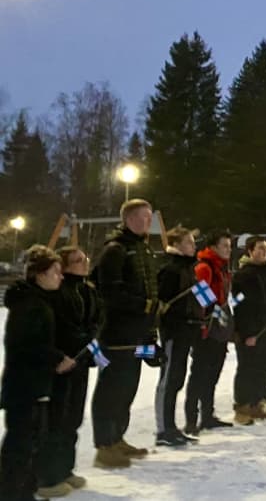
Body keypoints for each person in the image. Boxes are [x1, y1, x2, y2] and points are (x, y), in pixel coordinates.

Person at [2, 246, 75, 500]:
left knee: (32, 442)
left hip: (36, 384)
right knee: (20, 445)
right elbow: (26, 344)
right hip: (25, 386)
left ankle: (24, 491)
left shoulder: (39, 301)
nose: (61, 276)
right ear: (40, 275)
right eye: (56, 271)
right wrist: (57, 358)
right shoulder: (29, 305)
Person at [92, 199, 158, 469]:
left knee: (128, 388)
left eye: (150, 217)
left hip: (138, 335)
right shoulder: (115, 250)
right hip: (116, 337)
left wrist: (151, 330)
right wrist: (141, 305)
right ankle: (104, 445)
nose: (147, 222)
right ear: (128, 219)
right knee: (111, 389)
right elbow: (109, 292)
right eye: (143, 217)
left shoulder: (142, 249)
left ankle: (117, 437)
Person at [35, 247, 98, 496]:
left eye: (85, 259)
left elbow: (95, 320)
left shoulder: (87, 290)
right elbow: (61, 326)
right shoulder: (57, 292)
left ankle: (65, 468)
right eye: (77, 261)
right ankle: (46, 476)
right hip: (61, 362)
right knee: (55, 421)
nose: (84, 264)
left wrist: (91, 339)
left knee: (72, 419)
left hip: (80, 361)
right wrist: (77, 343)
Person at [154, 226, 203, 447]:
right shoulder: (170, 270)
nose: (194, 246)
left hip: (188, 331)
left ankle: (171, 427)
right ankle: (164, 429)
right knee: (169, 379)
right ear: (177, 245)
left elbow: (203, 300)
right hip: (174, 333)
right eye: (189, 242)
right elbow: (163, 305)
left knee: (177, 379)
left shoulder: (189, 269)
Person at [184, 231, 234, 435]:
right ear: (213, 247)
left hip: (218, 328)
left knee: (213, 373)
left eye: (230, 246)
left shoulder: (222, 267)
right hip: (207, 329)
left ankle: (207, 414)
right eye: (224, 245)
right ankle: (191, 419)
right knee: (199, 374)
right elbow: (201, 298)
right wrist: (204, 325)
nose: (228, 250)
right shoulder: (205, 267)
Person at [232, 236, 266, 426]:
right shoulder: (243, 275)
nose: (264, 251)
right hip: (250, 331)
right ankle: (243, 406)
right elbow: (239, 305)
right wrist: (247, 332)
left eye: (265, 248)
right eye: (259, 248)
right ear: (250, 251)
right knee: (247, 368)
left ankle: (258, 404)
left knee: (263, 368)